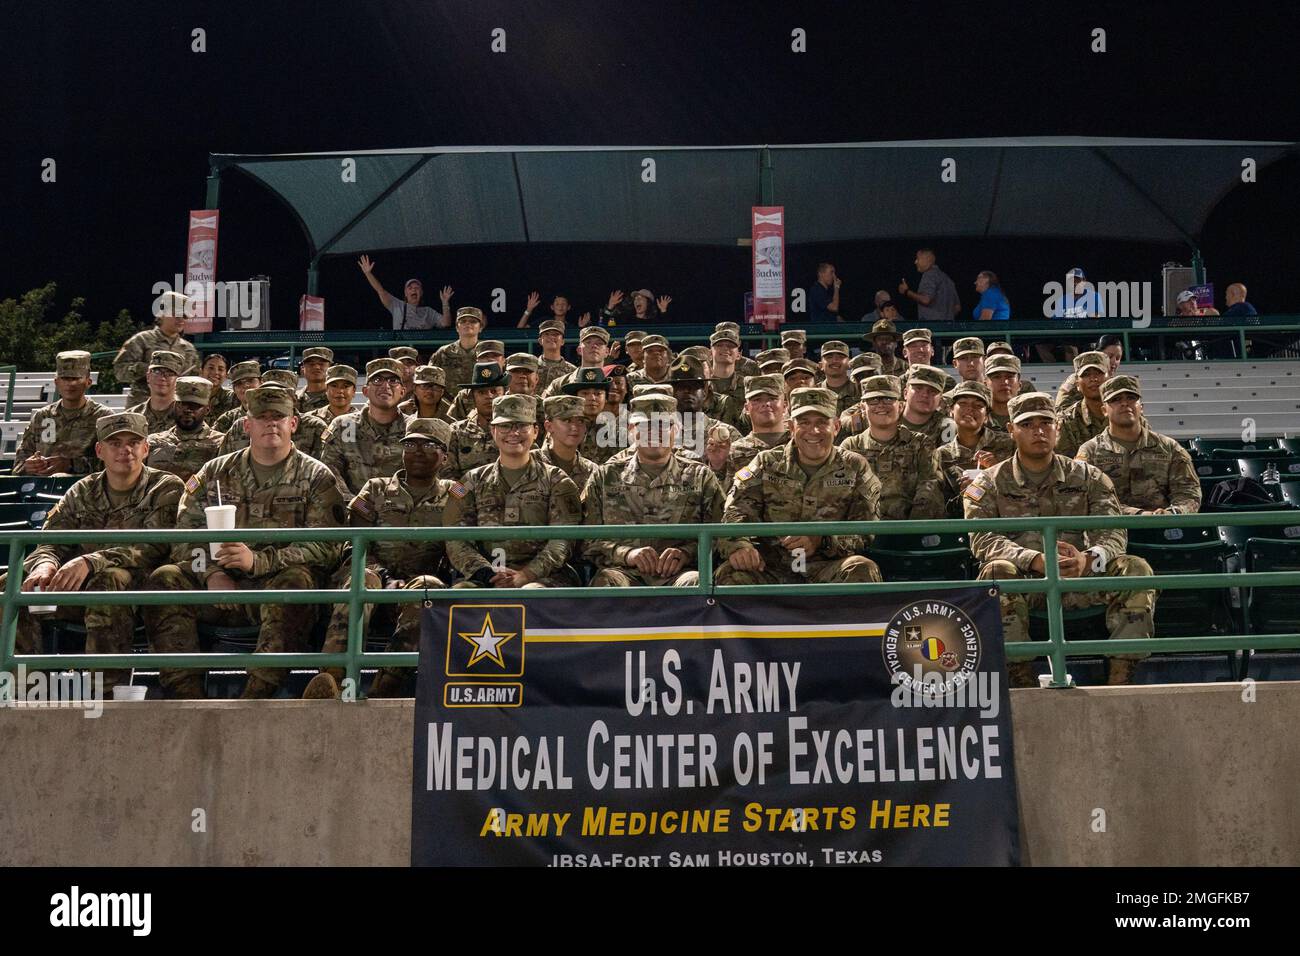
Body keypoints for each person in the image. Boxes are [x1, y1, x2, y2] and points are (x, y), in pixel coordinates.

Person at [145, 388, 351, 699]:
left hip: (275, 584)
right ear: (246, 425)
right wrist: (212, 573)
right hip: (217, 585)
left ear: (293, 424)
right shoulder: (215, 473)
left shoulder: (317, 476)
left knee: (297, 583)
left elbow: (327, 546)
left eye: (279, 417)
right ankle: (186, 697)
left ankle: (256, 697)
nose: (271, 425)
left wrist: (259, 561)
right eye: (262, 418)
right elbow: (184, 535)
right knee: (165, 579)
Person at [963, 391, 1157, 687]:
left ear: (1059, 428)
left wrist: (1089, 558)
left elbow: (1113, 529)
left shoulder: (1089, 476)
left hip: (1080, 578)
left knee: (1136, 569)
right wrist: (1035, 560)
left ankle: (1121, 681)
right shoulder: (988, 483)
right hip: (1027, 583)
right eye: (1027, 424)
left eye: (1046, 422)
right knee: (995, 573)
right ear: (1011, 430)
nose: (1039, 431)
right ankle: (1021, 682)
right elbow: (982, 538)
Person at [4, 413, 183, 688]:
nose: (126, 450)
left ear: (146, 448)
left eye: (134, 442)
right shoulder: (82, 490)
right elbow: (51, 539)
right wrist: (45, 563)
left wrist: (92, 561)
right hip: (83, 586)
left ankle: (106, 692)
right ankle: (21, 687)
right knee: (11, 585)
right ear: (100, 451)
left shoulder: (165, 487)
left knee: (108, 580)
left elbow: (155, 545)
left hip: (143, 588)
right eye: (115, 443)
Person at [305, 418, 456, 700]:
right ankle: (331, 681)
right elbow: (354, 543)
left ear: (445, 456)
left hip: (419, 591)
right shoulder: (374, 489)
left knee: (428, 586)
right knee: (363, 579)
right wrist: (384, 576)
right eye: (410, 443)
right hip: (374, 583)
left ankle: (383, 689)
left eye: (429, 444)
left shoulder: (455, 494)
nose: (418, 450)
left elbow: (461, 546)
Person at [716, 387, 883, 586]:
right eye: (804, 423)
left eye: (822, 422)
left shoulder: (854, 466)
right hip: (770, 567)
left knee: (861, 568)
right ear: (791, 427)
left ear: (837, 426)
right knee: (729, 573)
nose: (814, 431)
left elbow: (866, 530)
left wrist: (823, 541)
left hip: (828, 566)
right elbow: (735, 511)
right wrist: (739, 545)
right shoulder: (766, 462)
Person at [582, 394, 725, 587]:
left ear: (677, 429)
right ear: (631, 430)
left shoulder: (700, 476)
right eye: (645, 425)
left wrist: (686, 553)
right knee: (606, 583)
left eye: (663, 425)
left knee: (696, 583)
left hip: (680, 573)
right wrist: (627, 554)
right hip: (623, 571)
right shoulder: (605, 476)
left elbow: (721, 535)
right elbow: (586, 539)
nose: (654, 432)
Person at [443, 394, 582, 588]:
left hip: (545, 577)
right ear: (493, 431)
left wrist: (526, 575)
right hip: (485, 575)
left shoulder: (557, 481)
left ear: (535, 431)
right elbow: (455, 537)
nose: (513, 433)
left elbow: (563, 541)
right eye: (505, 426)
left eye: (521, 426)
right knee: (461, 594)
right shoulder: (470, 481)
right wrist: (485, 574)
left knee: (531, 592)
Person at [1075, 376, 1201, 515]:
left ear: (1141, 407)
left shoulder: (1170, 447)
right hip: (1112, 530)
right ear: (1104, 410)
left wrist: (1174, 512)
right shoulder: (1090, 451)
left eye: (1131, 398)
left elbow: (1189, 493)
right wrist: (1139, 515)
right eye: (1115, 400)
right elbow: (1089, 498)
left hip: (1165, 528)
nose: (1124, 403)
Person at [841, 375, 946, 520]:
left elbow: (930, 487)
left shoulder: (921, 444)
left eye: (889, 399)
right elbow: (842, 495)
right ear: (863, 408)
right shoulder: (850, 447)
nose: (881, 405)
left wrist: (910, 531)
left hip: (909, 531)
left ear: (901, 406)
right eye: (873, 400)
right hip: (863, 532)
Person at [320, 358, 412, 495]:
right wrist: (358, 507)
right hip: (353, 510)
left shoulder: (414, 428)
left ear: (403, 392)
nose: (386, 386)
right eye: (377, 380)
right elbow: (331, 471)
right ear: (365, 391)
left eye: (393, 381)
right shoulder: (345, 426)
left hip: (405, 510)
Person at [13, 350, 110, 476]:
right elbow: (19, 462)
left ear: (88, 382)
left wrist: (71, 464)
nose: (70, 384)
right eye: (64, 378)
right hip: (43, 488)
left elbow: (114, 462)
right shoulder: (42, 416)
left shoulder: (103, 417)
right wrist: (28, 466)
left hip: (86, 490)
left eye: (75, 378)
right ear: (56, 382)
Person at [937, 379, 1016, 512]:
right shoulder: (941, 455)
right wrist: (968, 493)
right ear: (951, 410)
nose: (969, 409)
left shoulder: (1010, 444)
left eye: (978, 405)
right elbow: (939, 507)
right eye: (962, 403)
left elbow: (1026, 491)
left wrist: (997, 471)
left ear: (986, 416)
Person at [219, 369, 326, 460]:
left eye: (281, 395)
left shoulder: (315, 426)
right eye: (267, 395)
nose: (274, 400)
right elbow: (223, 466)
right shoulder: (240, 426)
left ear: (294, 399)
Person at [113, 294, 200, 403]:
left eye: (185, 316)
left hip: (174, 409)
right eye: (176, 314)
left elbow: (195, 381)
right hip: (141, 406)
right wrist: (151, 370)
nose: (181, 319)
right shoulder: (142, 340)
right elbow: (120, 371)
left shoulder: (188, 349)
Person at [146, 376, 224, 481]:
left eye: (195, 406)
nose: (187, 410)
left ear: (207, 409)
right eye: (182, 404)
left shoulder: (221, 444)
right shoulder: (152, 442)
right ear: (174, 405)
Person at [440, 362, 507, 480]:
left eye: (494, 391)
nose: (489, 396)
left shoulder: (516, 429)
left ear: (504, 393)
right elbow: (447, 474)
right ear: (473, 396)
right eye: (482, 392)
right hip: (467, 493)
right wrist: (465, 495)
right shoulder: (456, 431)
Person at [357, 255, 450, 330]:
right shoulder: (397, 306)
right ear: (405, 293)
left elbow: (446, 323)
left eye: (417, 288)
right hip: (401, 351)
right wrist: (368, 273)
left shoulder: (429, 312)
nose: (414, 290)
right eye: (410, 288)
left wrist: (445, 303)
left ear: (421, 293)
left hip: (421, 352)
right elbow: (380, 291)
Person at [726, 375, 790, 472]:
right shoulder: (735, 451)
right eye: (757, 400)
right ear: (747, 408)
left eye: (772, 398)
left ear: (785, 406)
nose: (766, 404)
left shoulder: (799, 445)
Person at [1055, 351, 1110, 457]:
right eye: (1086, 375)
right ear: (1077, 384)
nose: (1093, 379)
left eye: (1098, 373)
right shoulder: (1066, 422)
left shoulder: (1124, 413)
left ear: (1109, 378)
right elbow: (1065, 465)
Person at [536, 395, 597, 489]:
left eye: (580, 421)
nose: (575, 427)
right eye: (567, 420)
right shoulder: (530, 464)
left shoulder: (593, 471)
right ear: (549, 426)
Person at [125, 350, 185, 434]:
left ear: (178, 380)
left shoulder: (187, 418)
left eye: (169, 373)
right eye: (157, 372)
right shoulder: (132, 417)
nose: (162, 378)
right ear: (148, 376)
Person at [543, 326, 611, 398]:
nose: (594, 346)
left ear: (607, 351)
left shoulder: (614, 384)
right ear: (579, 350)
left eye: (599, 343)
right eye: (588, 342)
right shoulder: (560, 384)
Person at [447, 340, 507, 419]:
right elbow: (451, 423)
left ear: (504, 361)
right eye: (484, 356)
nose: (490, 359)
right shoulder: (465, 395)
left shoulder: (511, 390)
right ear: (477, 361)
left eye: (495, 355)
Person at [431, 306, 485, 392]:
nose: (468, 324)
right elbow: (430, 380)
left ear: (481, 327)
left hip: (480, 402)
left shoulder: (487, 352)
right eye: (463, 321)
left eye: (473, 321)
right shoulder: (444, 352)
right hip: (448, 403)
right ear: (457, 327)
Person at [898, 365, 955, 446]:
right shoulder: (888, 416)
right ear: (905, 393)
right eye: (918, 388)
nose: (925, 394)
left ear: (940, 400)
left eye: (932, 391)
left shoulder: (947, 427)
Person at [899, 248, 960, 322]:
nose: (915, 262)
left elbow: (926, 299)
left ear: (928, 259)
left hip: (933, 328)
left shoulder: (929, 274)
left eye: (918, 258)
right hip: (948, 328)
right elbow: (957, 307)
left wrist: (906, 291)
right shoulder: (947, 279)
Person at [211, 361, 262, 432]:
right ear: (234, 390)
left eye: (250, 380)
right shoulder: (227, 420)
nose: (245, 385)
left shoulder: (275, 414)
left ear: (261, 383)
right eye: (239, 383)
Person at [818, 340, 859, 414]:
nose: (835, 360)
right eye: (829, 357)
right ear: (821, 365)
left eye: (841, 357)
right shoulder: (814, 392)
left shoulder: (859, 390)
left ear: (849, 363)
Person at [985, 353, 1023, 430]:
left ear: (1019, 384)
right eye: (997, 377)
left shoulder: (1029, 420)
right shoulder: (977, 421)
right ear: (985, 385)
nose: (1004, 382)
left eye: (1010, 377)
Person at [536, 319, 577, 391]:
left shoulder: (572, 371)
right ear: (540, 341)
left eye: (556, 334)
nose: (551, 337)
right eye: (547, 334)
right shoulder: (531, 367)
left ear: (562, 341)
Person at [296, 347, 334, 414]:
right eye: (311, 364)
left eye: (321, 364)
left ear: (331, 368)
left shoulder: (337, 397)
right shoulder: (293, 399)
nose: (316, 367)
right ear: (302, 369)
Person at [202, 353, 241, 418]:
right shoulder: (191, 395)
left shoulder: (234, 397)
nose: (216, 372)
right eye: (211, 368)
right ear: (201, 371)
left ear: (226, 375)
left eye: (220, 369)